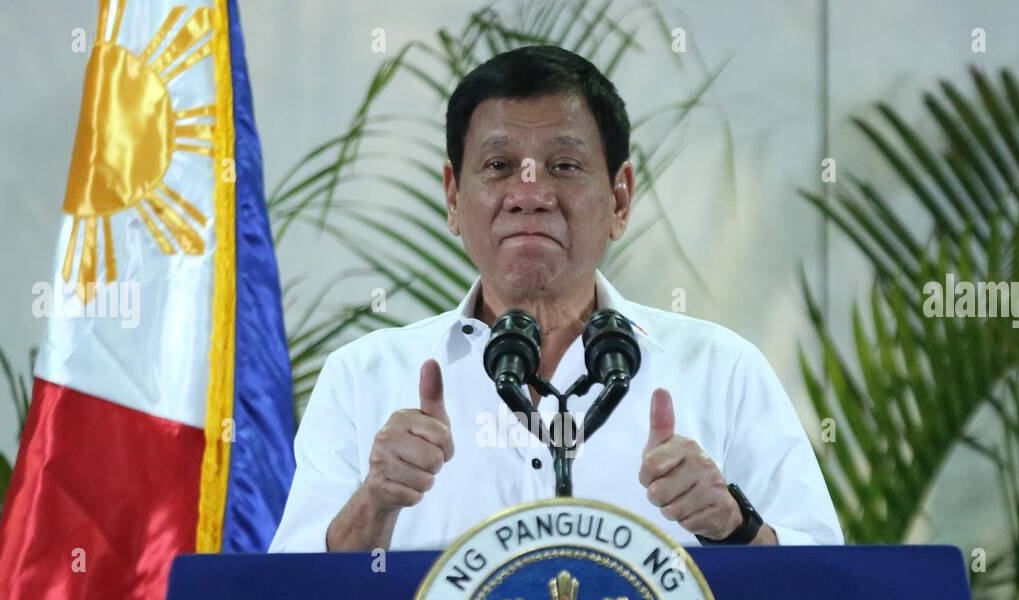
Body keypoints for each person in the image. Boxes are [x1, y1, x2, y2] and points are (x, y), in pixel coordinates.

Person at [269, 45, 842, 554]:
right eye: (497, 167)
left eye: (563, 166)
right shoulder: (362, 378)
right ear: (452, 197)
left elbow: (823, 594)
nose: (530, 194)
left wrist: (735, 527)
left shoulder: (721, 370)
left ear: (620, 199)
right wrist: (376, 502)